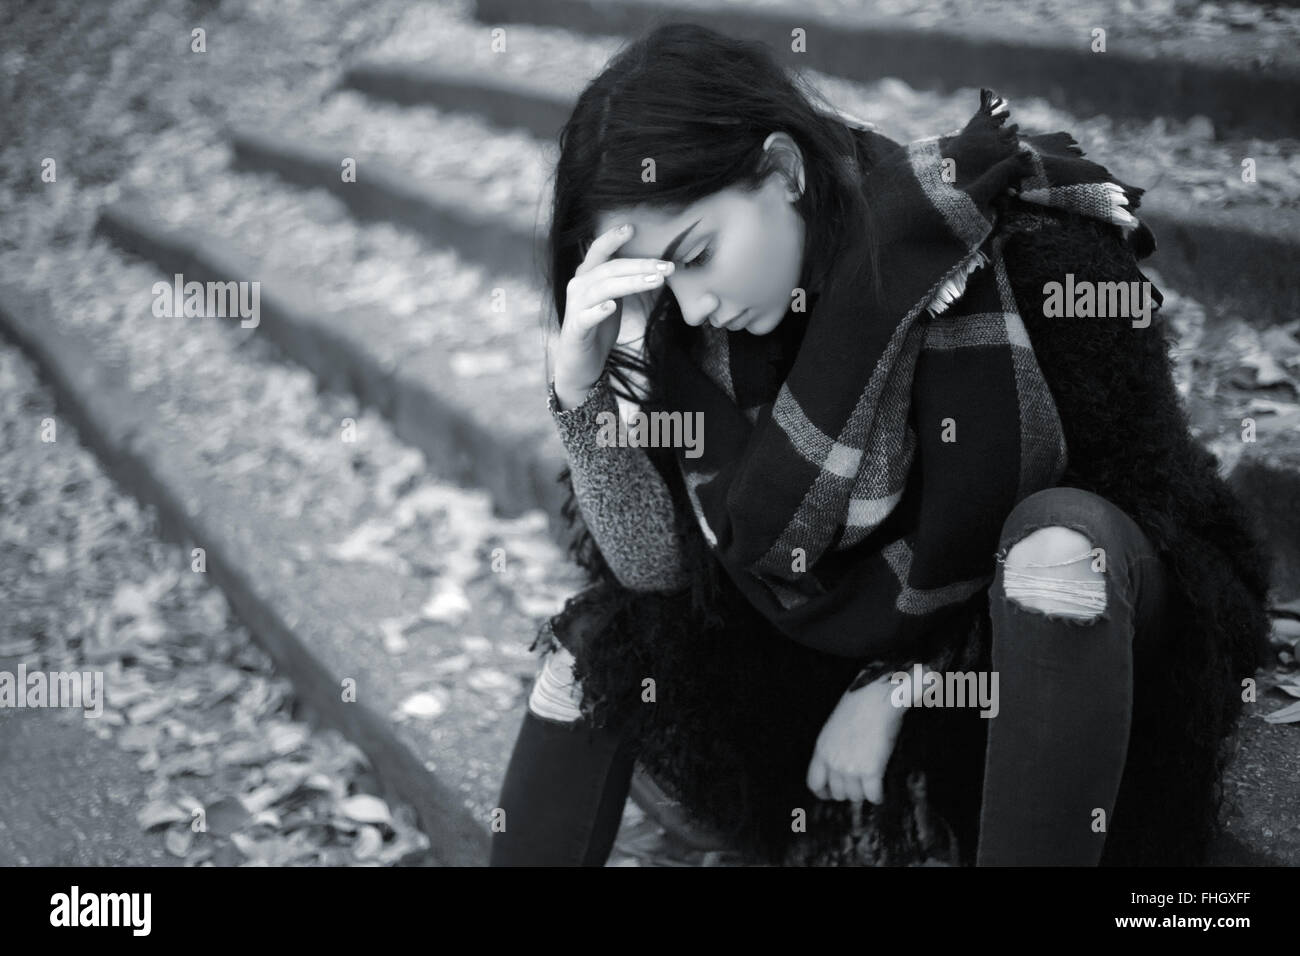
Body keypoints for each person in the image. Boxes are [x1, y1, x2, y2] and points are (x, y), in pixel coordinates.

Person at [489, 22, 1274, 867]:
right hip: (838, 646)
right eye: (660, 279)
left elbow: (1149, 504)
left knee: (1058, 541)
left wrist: (907, 681)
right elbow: (655, 577)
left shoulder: (1022, 246)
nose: (695, 301)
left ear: (783, 172)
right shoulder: (698, 344)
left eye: (697, 254)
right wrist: (581, 393)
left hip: (1074, 634)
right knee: (595, 647)